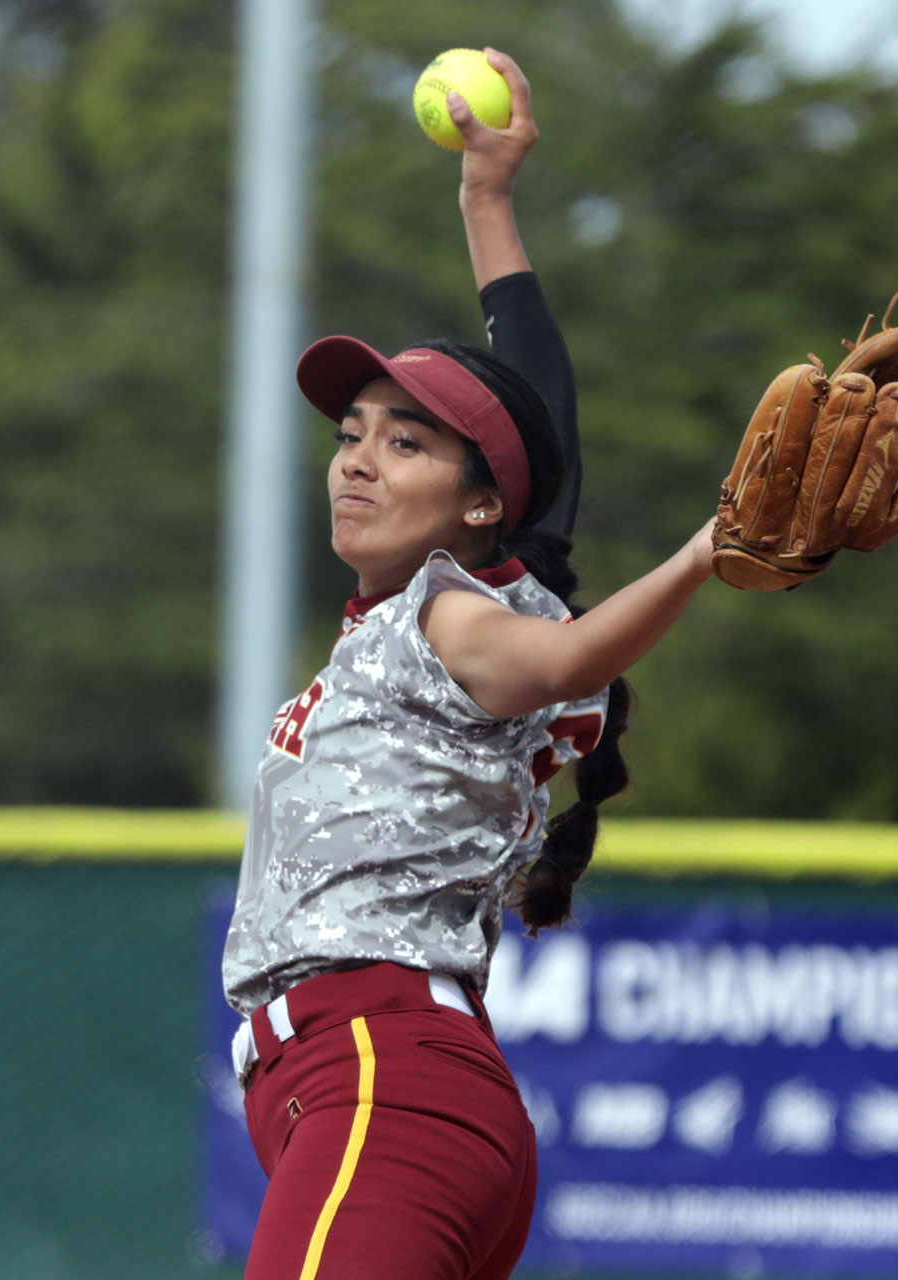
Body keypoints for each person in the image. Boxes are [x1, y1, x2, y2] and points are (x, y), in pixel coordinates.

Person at [221, 49, 715, 1280]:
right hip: (366, 1096)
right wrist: (486, 200)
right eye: (349, 434)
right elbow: (542, 416)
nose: (356, 458)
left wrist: (710, 550)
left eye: (406, 440)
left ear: (482, 503)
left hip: (380, 1080)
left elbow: (567, 656)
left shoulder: (454, 622)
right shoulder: (462, 593)